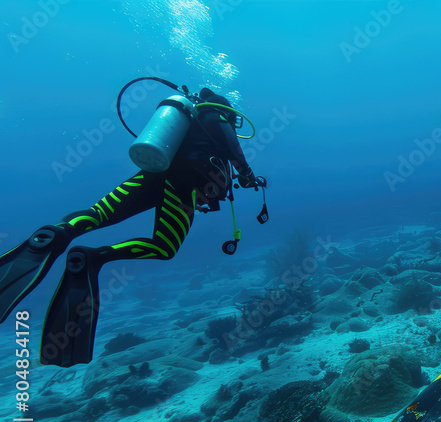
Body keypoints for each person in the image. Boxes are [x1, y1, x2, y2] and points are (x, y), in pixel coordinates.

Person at [0, 87, 264, 366]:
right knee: (164, 247)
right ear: (226, 110)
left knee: (97, 213)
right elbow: (235, 152)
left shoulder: (184, 124)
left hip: (150, 174)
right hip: (182, 187)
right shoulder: (216, 117)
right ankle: (96, 256)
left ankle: (54, 235)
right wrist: (248, 176)